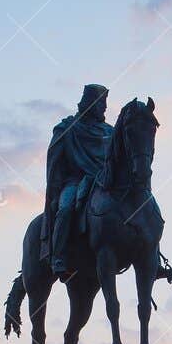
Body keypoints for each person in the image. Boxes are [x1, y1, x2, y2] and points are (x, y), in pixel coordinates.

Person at [44, 83, 112, 279]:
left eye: (105, 104)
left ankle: (154, 259)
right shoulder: (68, 129)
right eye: (101, 104)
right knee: (65, 209)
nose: (104, 108)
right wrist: (56, 193)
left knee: (139, 204)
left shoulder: (110, 131)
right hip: (75, 182)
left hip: (105, 182)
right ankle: (58, 258)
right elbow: (55, 163)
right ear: (90, 103)